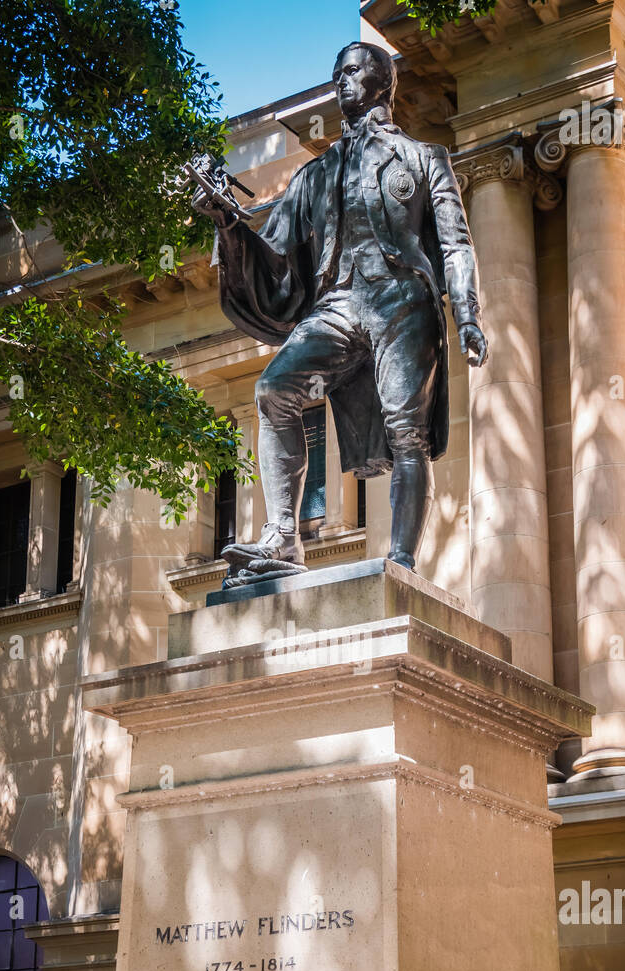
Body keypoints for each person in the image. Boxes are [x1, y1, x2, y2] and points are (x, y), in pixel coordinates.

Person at [192, 40, 488, 582]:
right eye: (337, 74)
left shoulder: (425, 159)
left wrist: (466, 312)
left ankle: (400, 561)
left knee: (407, 433)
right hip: (339, 302)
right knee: (273, 389)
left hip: (403, 298)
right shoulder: (314, 175)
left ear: (381, 81)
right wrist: (229, 221)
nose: (341, 82)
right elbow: (275, 253)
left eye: (352, 71)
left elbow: (456, 244)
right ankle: (283, 537)